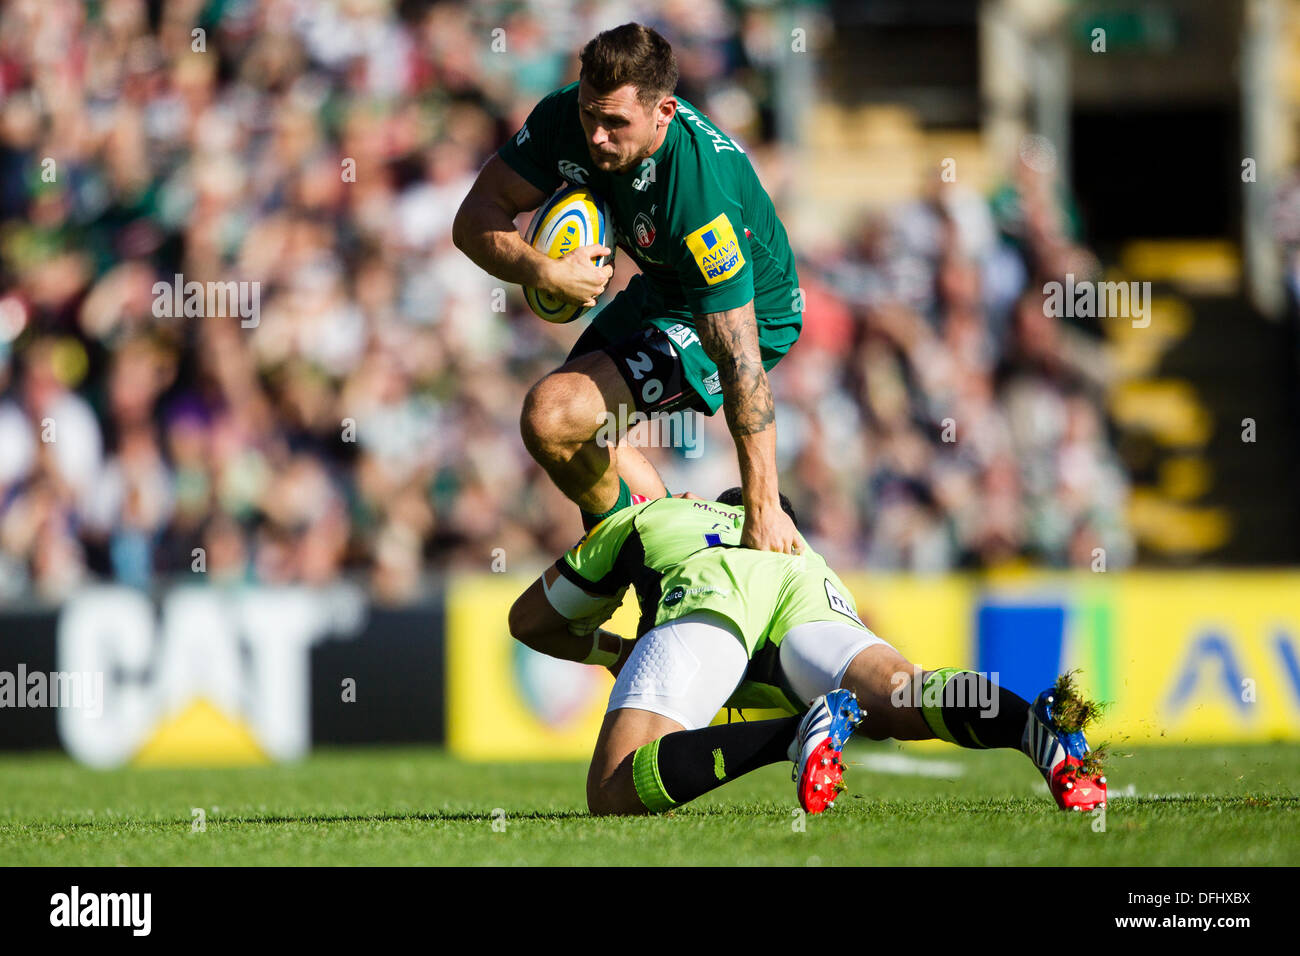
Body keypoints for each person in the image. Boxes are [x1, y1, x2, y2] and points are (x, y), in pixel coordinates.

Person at [508, 490, 1108, 816]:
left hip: (714, 587)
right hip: (804, 581)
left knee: (613, 788)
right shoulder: (794, 544)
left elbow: (528, 622)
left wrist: (612, 648)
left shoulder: (654, 517)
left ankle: (795, 736)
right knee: (903, 690)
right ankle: (1033, 724)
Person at [453, 23, 802, 553]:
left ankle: (638, 562)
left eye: (615, 122)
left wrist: (763, 509)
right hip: (662, 288)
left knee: (553, 415)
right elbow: (474, 217)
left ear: (663, 112)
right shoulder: (563, 116)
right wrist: (541, 269)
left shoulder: (699, 194)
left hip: (749, 309)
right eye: (590, 114)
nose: (596, 136)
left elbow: (740, 359)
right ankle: (664, 551)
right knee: (565, 433)